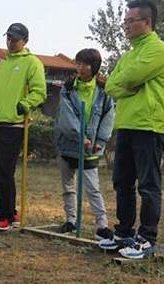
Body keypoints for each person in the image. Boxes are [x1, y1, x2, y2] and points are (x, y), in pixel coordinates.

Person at [98, 0, 164, 259]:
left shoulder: (158, 49)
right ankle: (124, 233)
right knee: (122, 182)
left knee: (148, 184)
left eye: (131, 21)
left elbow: (127, 78)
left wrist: (125, 83)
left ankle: (146, 238)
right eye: (125, 21)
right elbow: (111, 86)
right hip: (127, 124)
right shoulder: (129, 54)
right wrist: (125, 84)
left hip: (150, 125)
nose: (126, 25)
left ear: (147, 22)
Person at [0, 23, 46, 231]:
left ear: (25, 41)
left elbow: (39, 91)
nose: (10, 42)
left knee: (4, 169)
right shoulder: (1, 65)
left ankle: (6, 215)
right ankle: (9, 211)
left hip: (15, 124)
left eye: (15, 39)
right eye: (8, 38)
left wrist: (25, 105)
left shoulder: (32, 63)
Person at [54, 48, 114, 240]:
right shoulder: (69, 88)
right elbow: (66, 116)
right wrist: (80, 136)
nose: (79, 67)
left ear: (94, 66)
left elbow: (108, 116)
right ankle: (71, 220)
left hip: (90, 148)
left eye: (84, 64)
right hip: (68, 145)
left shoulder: (104, 91)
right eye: (77, 63)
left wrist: (101, 140)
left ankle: (102, 225)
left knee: (92, 188)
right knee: (68, 186)